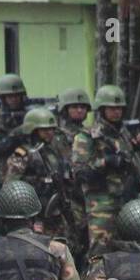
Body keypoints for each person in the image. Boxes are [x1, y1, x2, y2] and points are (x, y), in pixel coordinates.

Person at [71, 85, 140, 259]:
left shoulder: (125, 135)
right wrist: (106, 162)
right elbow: (80, 172)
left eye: (119, 108)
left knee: (131, 252)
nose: (116, 112)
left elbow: (135, 167)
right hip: (101, 205)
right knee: (101, 254)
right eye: (111, 108)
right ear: (101, 109)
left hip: (128, 202)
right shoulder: (87, 136)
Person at [3, 108, 74, 241]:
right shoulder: (23, 154)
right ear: (33, 130)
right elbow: (10, 187)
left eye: (52, 129)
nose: (49, 133)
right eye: (44, 130)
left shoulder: (54, 152)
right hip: (33, 215)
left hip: (55, 212)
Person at [0, 74, 32, 231]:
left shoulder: (29, 117)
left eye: (17, 96)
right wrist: (17, 133)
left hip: (26, 182)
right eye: (10, 96)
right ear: (2, 98)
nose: (14, 100)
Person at [53, 87, 92, 270]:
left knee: (86, 242)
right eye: (74, 106)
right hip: (62, 197)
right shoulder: (56, 136)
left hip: (85, 195)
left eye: (83, 107)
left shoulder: (91, 135)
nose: (79, 110)